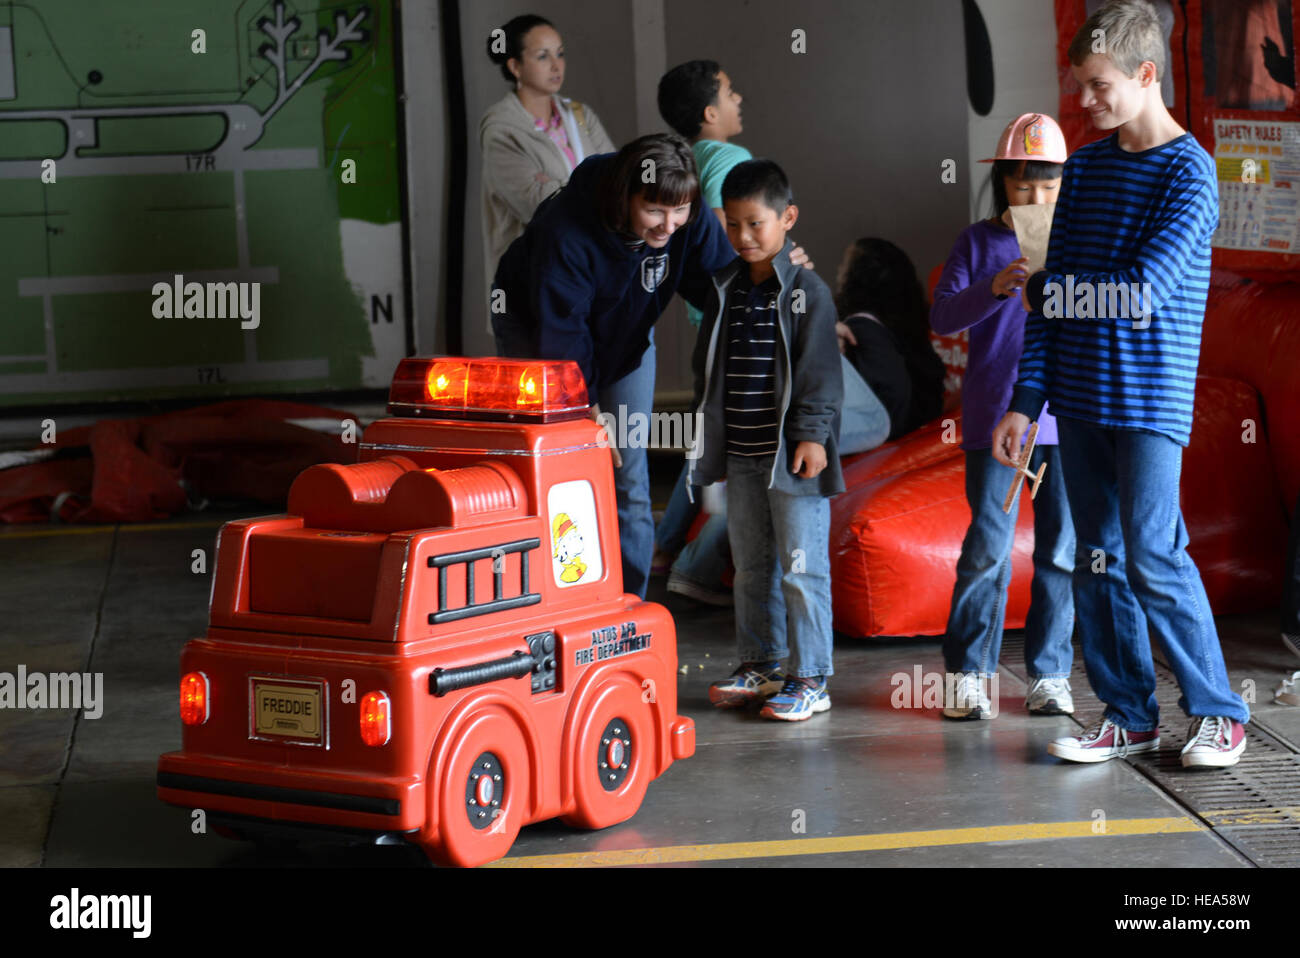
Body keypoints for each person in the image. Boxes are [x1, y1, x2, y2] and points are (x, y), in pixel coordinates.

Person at [991, 0, 1250, 767]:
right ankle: (1129, 713)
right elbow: (1048, 300)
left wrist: (1051, 292)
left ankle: (1219, 713)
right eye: (1081, 87)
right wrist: (1023, 401)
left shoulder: (1191, 173)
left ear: (1146, 75)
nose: (1086, 102)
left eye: (1099, 86)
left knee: (1153, 552)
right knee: (1097, 556)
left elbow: (1139, 292)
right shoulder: (1088, 168)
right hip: (1075, 401)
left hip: (1148, 402)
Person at [492, 133, 736, 600]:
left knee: (629, 475)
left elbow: (723, 285)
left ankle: (629, 611)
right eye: (655, 212)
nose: (669, 225)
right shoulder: (567, 230)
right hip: (539, 336)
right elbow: (561, 333)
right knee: (559, 471)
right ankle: (555, 602)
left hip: (625, 343)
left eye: (679, 211)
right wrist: (586, 408)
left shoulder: (686, 213)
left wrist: (775, 285)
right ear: (626, 197)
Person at [653, 60, 819, 605]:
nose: (738, 98)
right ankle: (688, 556)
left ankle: (664, 548)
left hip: (709, 313)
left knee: (711, 427)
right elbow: (747, 239)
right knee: (740, 432)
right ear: (709, 111)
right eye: (729, 92)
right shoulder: (731, 159)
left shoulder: (689, 161)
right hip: (749, 314)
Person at [930, 113, 1076, 721]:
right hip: (996, 419)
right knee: (989, 545)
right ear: (1004, 185)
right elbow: (942, 320)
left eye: (1047, 186)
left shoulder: (1078, 243)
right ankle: (968, 675)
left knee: (1062, 550)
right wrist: (992, 289)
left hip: (1068, 419)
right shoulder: (976, 242)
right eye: (1023, 186)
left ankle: (1051, 674)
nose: (1035, 198)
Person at [693, 159, 844, 721]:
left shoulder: (807, 290)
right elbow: (708, 366)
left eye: (756, 223)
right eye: (732, 225)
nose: (744, 237)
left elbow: (821, 371)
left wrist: (811, 435)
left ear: (788, 219)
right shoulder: (725, 288)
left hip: (792, 458)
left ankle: (811, 678)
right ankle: (760, 664)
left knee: (801, 569)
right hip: (743, 453)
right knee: (752, 565)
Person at [480, 14, 614, 299]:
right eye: (543, 56)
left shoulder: (579, 115)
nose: (556, 66)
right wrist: (591, 191)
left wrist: (555, 185)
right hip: (537, 281)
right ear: (515, 66)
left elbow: (618, 182)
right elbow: (540, 207)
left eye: (560, 54)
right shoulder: (502, 130)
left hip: (595, 269)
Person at [834, 238, 946, 441]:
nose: (838, 270)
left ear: (857, 276)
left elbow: (890, 397)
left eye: (844, 264)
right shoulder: (904, 324)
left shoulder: (862, 328)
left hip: (881, 438)